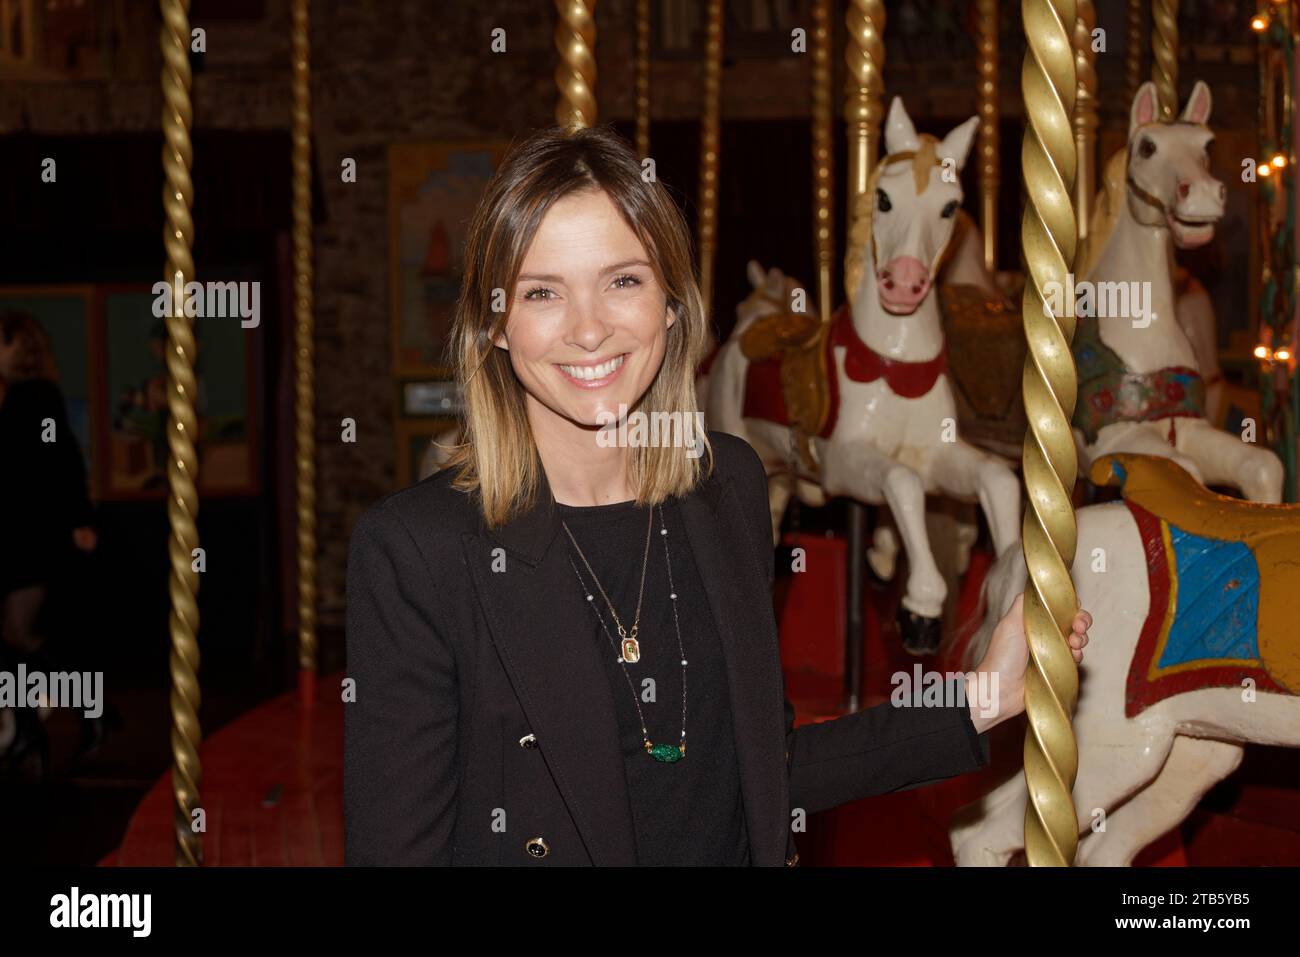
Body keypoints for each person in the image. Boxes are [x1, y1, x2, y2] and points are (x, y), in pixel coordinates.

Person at [343, 124, 1090, 866]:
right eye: (544, 292)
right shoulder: (422, 551)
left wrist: (980, 697)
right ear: (496, 325)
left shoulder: (724, 485)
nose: (590, 328)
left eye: (623, 280)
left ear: (671, 306)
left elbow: (764, 769)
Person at [0, 311, 101, 776]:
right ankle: (35, 727)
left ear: (17, 350)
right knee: (15, 637)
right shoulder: (25, 398)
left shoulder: (34, 397)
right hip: (28, 534)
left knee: (18, 635)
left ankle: (69, 715)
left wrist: (78, 516)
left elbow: (60, 458)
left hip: (33, 538)